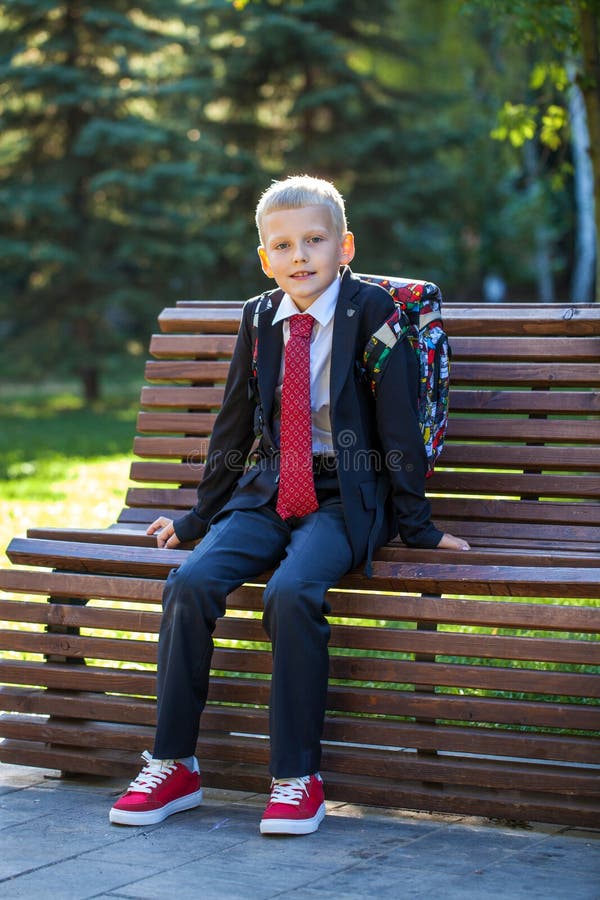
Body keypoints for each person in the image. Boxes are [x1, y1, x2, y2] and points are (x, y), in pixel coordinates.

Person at [109, 174, 469, 835]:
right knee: (189, 583)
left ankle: (297, 778)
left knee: (293, 591)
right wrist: (196, 519)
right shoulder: (258, 318)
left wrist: (417, 528)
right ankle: (173, 764)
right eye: (283, 245)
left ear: (344, 247)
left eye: (314, 240)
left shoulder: (377, 317)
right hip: (269, 490)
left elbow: (398, 429)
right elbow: (234, 428)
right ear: (265, 258)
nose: (299, 256)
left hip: (347, 498)